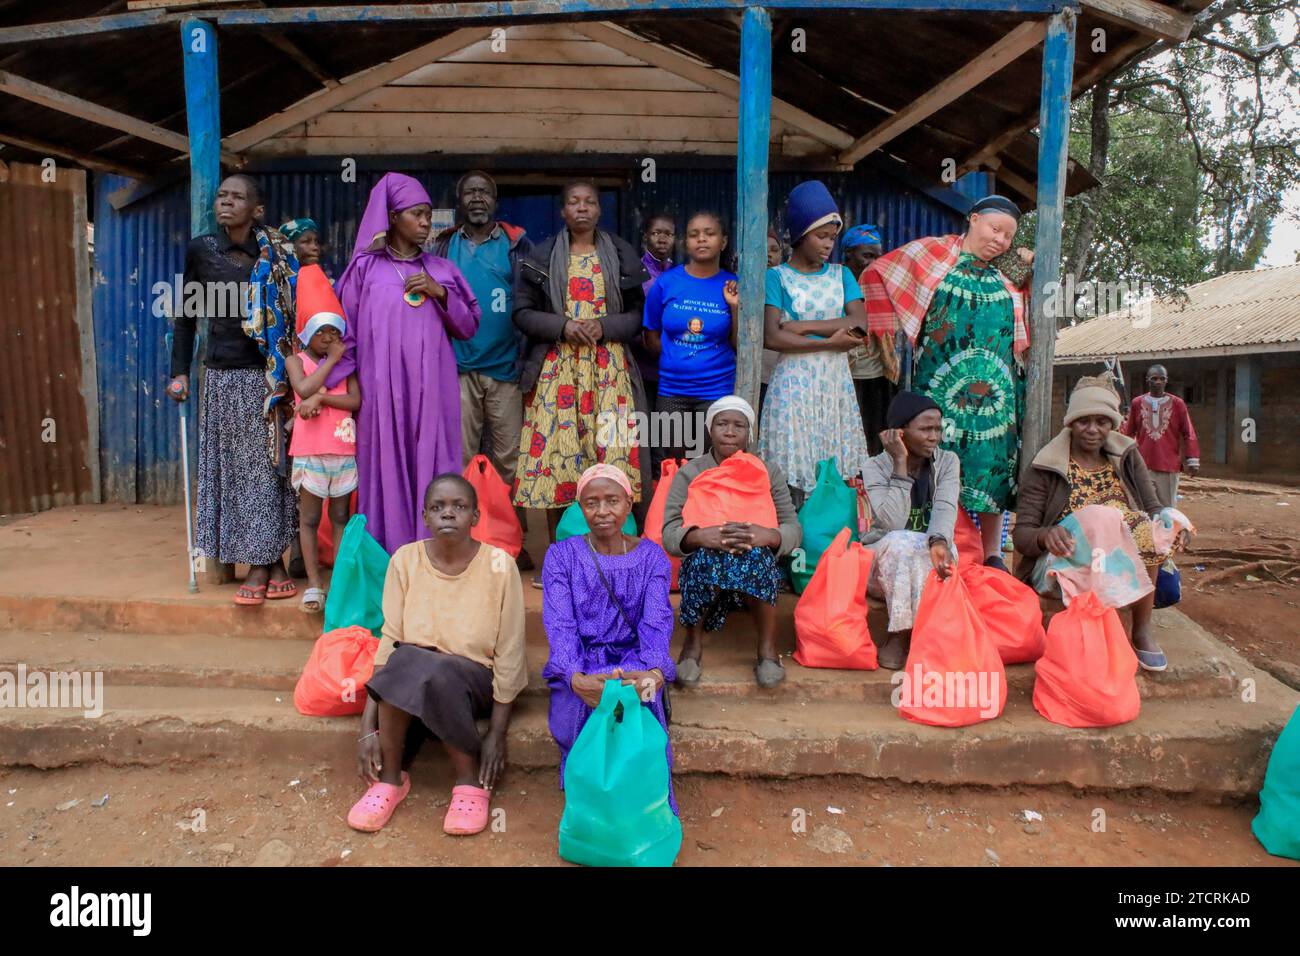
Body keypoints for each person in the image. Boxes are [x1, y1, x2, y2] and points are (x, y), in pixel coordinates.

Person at [861, 194, 1034, 572]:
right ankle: (933, 538)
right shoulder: (933, 255)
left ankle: (991, 553)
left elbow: (1035, 308)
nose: (1001, 240)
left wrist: (1026, 265)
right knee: (934, 459)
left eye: (1008, 235)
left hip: (996, 393)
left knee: (991, 467)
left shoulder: (1010, 269)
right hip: (938, 388)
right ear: (973, 219)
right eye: (995, 228)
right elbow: (879, 273)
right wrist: (880, 331)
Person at [351, 474, 527, 836]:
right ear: (425, 517)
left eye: (459, 507)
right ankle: (389, 780)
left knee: (438, 668)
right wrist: (367, 728)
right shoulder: (405, 560)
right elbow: (390, 640)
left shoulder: (499, 566)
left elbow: (510, 649)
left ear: (476, 517)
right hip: (409, 679)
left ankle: (469, 782)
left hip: (472, 682)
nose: (448, 514)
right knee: (407, 659)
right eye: (438, 507)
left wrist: (496, 732)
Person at [329, 172, 480, 555]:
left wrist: (439, 293)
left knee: (433, 459)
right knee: (385, 463)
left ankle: (435, 552)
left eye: (428, 215)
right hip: (381, 392)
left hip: (433, 389)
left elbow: (469, 325)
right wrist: (345, 388)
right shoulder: (364, 269)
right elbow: (343, 335)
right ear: (392, 217)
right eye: (416, 214)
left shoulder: (442, 270)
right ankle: (388, 555)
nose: (426, 222)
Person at [167, 173, 300, 606]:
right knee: (238, 474)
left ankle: (270, 561)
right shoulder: (202, 251)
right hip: (224, 376)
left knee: (272, 469)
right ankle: (264, 562)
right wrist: (180, 371)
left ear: (256, 210)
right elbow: (186, 316)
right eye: (222, 195)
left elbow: (298, 312)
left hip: (271, 377)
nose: (226, 202)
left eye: (237, 197)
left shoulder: (278, 253)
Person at [512, 180, 650, 541]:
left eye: (590, 202)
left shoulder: (620, 253)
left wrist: (603, 326)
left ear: (600, 210)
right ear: (563, 211)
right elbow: (522, 314)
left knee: (614, 452)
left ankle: (616, 548)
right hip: (558, 372)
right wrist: (563, 325)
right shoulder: (542, 256)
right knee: (559, 459)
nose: (582, 208)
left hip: (610, 372)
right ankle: (564, 550)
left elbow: (638, 314)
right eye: (574, 202)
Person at [1014, 375, 1178, 671]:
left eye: (1101, 421)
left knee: (1147, 527)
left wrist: (1171, 525)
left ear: (1112, 424)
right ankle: (1099, 631)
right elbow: (1022, 535)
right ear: (1070, 423)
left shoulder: (1127, 457)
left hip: (1115, 562)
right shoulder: (1047, 467)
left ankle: (1141, 631)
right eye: (1083, 421)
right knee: (1098, 517)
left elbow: (1153, 508)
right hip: (1063, 566)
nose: (1092, 430)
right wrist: (1045, 535)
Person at [541, 464, 677, 811]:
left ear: (629, 504)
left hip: (636, 661)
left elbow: (657, 621)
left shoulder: (651, 557)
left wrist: (655, 673)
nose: (602, 512)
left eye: (612, 501)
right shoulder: (561, 556)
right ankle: (590, 803)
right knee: (582, 706)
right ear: (580, 508)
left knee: (639, 703)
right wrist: (575, 676)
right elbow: (560, 624)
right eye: (591, 503)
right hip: (583, 660)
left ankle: (641, 804)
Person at [432, 170, 536, 569]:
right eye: (469, 192)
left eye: (484, 192)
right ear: (459, 201)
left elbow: (531, 301)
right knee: (461, 458)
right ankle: (465, 540)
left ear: (495, 201)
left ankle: (511, 540)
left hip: (506, 368)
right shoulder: (443, 245)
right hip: (457, 368)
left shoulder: (516, 245)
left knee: (511, 462)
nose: (477, 198)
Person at [660, 396, 801, 688]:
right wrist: (699, 536)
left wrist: (770, 536)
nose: (730, 431)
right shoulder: (691, 472)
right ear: (710, 429)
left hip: (752, 568)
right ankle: (692, 643)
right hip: (707, 568)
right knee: (700, 560)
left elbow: (793, 527)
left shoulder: (768, 472)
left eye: (739, 425)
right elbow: (669, 531)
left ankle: (766, 650)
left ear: (749, 433)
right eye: (722, 423)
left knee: (759, 560)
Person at [758, 180, 871, 507]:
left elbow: (860, 325)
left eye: (832, 237)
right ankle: (792, 543)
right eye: (821, 236)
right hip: (793, 383)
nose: (828, 245)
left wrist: (803, 327)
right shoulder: (777, 277)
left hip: (833, 384)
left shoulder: (842, 275)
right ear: (799, 235)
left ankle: (828, 542)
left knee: (829, 465)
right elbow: (772, 336)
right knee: (793, 465)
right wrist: (832, 342)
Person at [860, 391, 961, 669]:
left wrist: (939, 540)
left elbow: (945, 508)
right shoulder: (874, 466)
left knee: (944, 548)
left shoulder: (948, 462)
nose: (934, 436)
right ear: (899, 433)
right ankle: (899, 635)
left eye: (938, 429)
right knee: (901, 541)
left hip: (928, 561)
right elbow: (891, 522)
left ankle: (919, 637)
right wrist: (900, 464)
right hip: (882, 567)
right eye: (925, 429)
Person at [643, 211, 739, 474]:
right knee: (675, 466)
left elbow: (740, 345)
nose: (702, 239)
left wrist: (734, 309)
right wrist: (677, 359)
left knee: (713, 465)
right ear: (686, 242)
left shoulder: (733, 285)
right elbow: (650, 333)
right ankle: (679, 515)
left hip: (716, 390)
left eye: (710, 233)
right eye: (694, 234)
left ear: (723, 241)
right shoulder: (666, 283)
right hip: (672, 390)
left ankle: (711, 516)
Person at [286, 306, 360, 613]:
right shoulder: (296, 361)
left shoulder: (348, 366)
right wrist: (331, 361)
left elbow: (354, 401)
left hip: (342, 452)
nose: (328, 337)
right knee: (311, 519)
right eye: (320, 331)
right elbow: (303, 388)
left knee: (341, 518)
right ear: (306, 335)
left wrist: (322, 398)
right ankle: (314, 584)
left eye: (334, 331)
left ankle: (339, 582)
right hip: (311, 453)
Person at [841, 223, 896, 456]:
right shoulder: (836, 286)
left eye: (878, 256)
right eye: (867, 255)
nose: (874, 262)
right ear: (848, 255)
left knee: (876, 437)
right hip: (845, 376)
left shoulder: (883, 287)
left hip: (877, 376)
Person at [1120, 364, 1200, 508]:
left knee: (1167, 508)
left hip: (1168, 465)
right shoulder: (1137, 403)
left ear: (1166, 381)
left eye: (1161, 378)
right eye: (1154, 378)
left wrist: (1192, 460)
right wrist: (1123, 458)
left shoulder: (1178, 404)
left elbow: (1188, 432)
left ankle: (1166, 531)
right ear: (1147, 380)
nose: (1158, 382)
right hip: (1142, 465)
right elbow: (1128, 433)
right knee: (1140, 506)